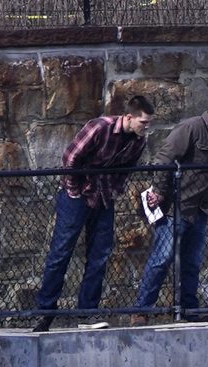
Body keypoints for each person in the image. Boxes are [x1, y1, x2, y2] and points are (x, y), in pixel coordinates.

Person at [31, 93, 152, 330]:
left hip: (104, 198)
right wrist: (74, 190)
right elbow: (71, 157)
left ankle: (87, 313)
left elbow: (127, 170)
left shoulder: (139, 141)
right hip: (78, 196)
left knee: (99, 256)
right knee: (61, 252)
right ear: (129, 117)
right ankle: (44, 312)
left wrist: (115, 190)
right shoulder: (100, 127)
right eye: (143, 122)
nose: (147, 127)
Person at [128, 90, 208, 320]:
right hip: (177, 209)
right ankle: (142, 310)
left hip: (200, 210)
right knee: (162, 259)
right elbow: (164, 158)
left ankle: (189, 310)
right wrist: (159, 191)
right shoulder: (191, 128)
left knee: (192, 263)